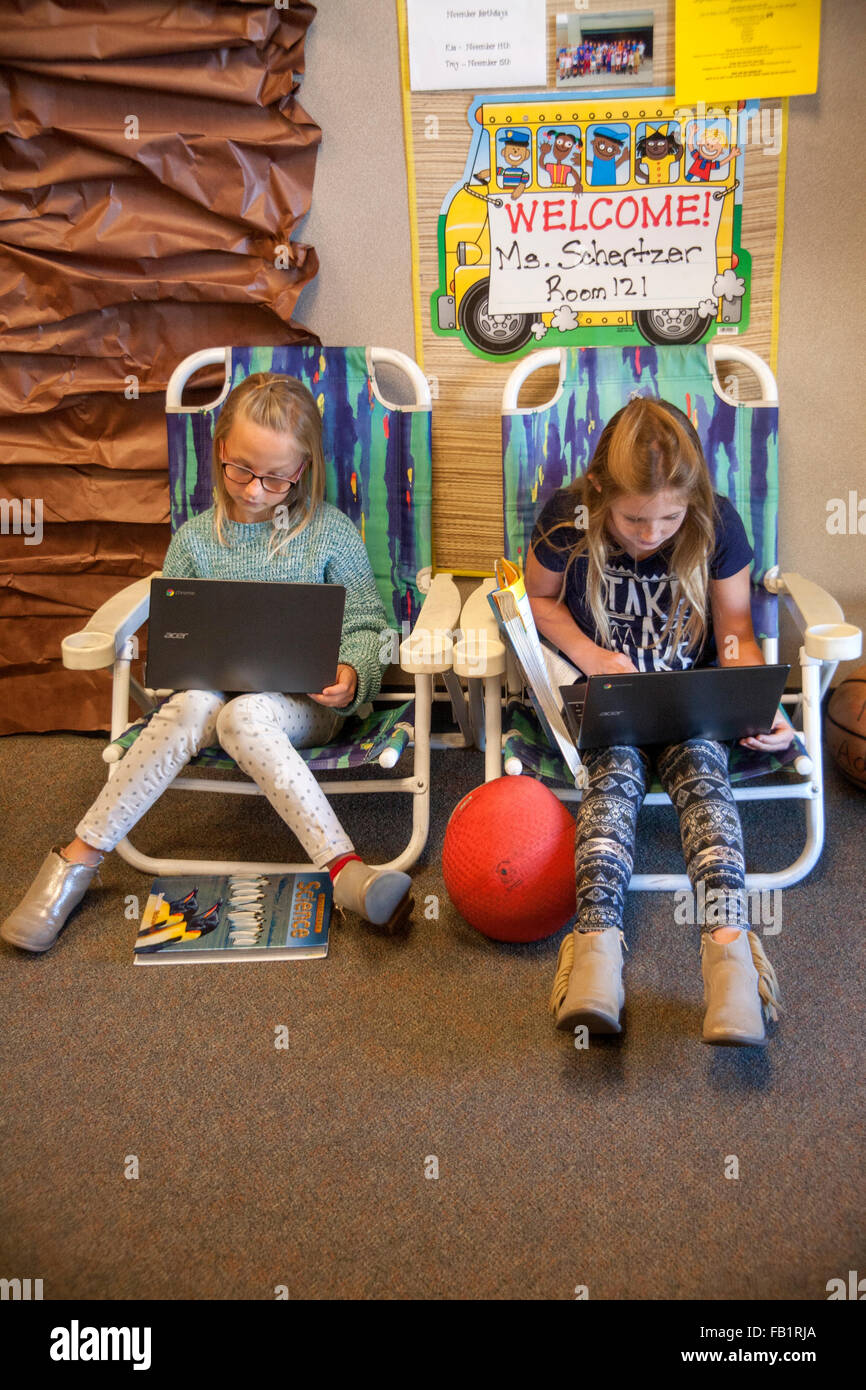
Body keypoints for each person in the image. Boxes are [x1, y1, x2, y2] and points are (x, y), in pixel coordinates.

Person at [1, 373, 413, 954]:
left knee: (243, 717)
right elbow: (179, 628)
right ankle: (77, 860)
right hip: (209, 697)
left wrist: (351, 674)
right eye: (241, 469)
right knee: (198, 703)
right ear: (220, 449)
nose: (253, 490)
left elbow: (369, 625)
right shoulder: (195, 539)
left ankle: (344, 870)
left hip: (302, 708)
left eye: (275, 477)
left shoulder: (329, 533)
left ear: (302, 469)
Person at [526, 397, 790, 1047]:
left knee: (705, 777)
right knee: (609, 786)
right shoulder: (568, 515)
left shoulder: (716, 522)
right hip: (611, 702)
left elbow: (734, 632)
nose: (652, 534)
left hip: (689, 701)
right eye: (634, 519)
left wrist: (759, 702)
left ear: (692, 500)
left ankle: (731, 961)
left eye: (670, 518)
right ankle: (595, 955)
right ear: (600, 494)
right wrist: (591, 657)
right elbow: (535, 599)